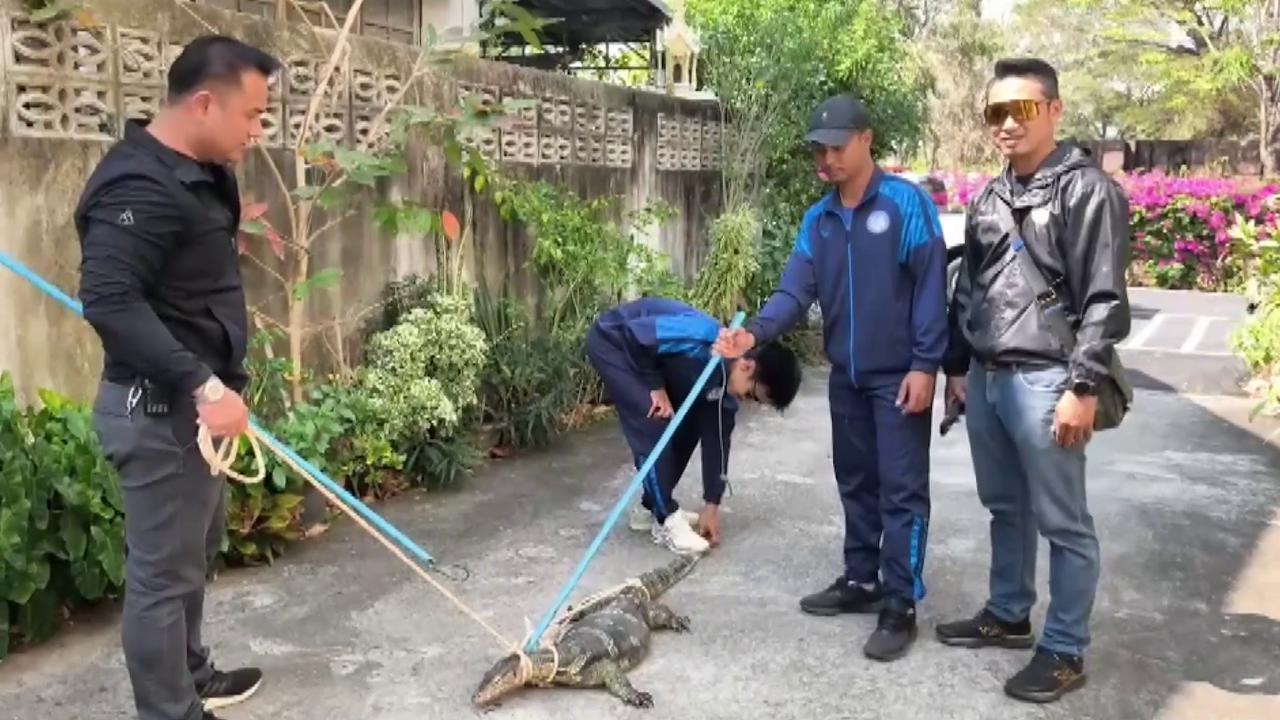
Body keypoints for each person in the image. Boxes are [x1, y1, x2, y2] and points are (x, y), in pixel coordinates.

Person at [75, 36, 280, 720]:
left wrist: (221, 385)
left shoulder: (204, 169)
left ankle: (192, 676)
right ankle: (172, 711)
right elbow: (109, 301)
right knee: (162, 581)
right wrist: (204, 384)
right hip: (160, 411)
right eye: (250, 116)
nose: (257, 132)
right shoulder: (138, 184)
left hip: (197, 414)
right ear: (202, 103)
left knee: (193, 555)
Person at [715, 94, 949, 661]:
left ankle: (900, 602)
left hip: (898, 376)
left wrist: (925, 365)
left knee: (902, 489)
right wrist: (755, 334)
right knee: (855, 480)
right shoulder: (817, 220)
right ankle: (861, 579)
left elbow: (931, 287)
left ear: (867, 139)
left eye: (836, 148)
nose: (826, 160)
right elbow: (796, 291)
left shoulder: (905, 205)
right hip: (846, 375)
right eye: (819, 150)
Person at [935, 57, 1132, 703]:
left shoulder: (1086, 191)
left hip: (1050, 378)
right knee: (1005, 508)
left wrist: (1081, 387)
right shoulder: (990, 197)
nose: (1008, 124)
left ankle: (1065, 648)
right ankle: (1009, 613)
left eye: (1022, 109)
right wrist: (958, 368)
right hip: (991, 380)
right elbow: (970, 289)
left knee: (1063, 522)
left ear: (1054, 111)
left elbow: (1104, 300)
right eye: (996, 112)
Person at [586, 296, 802, 555]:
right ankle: (667, 519)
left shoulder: (726, 391)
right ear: (747, 366)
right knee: (654, 419)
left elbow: (717, 443)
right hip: (616, 344)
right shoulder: (700, 339)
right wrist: (655, 387)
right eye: (753, 395)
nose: (750, 403)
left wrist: (712, 505)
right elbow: (636, 336)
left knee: (689, 426)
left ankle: (650, 509)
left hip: (653, 361)